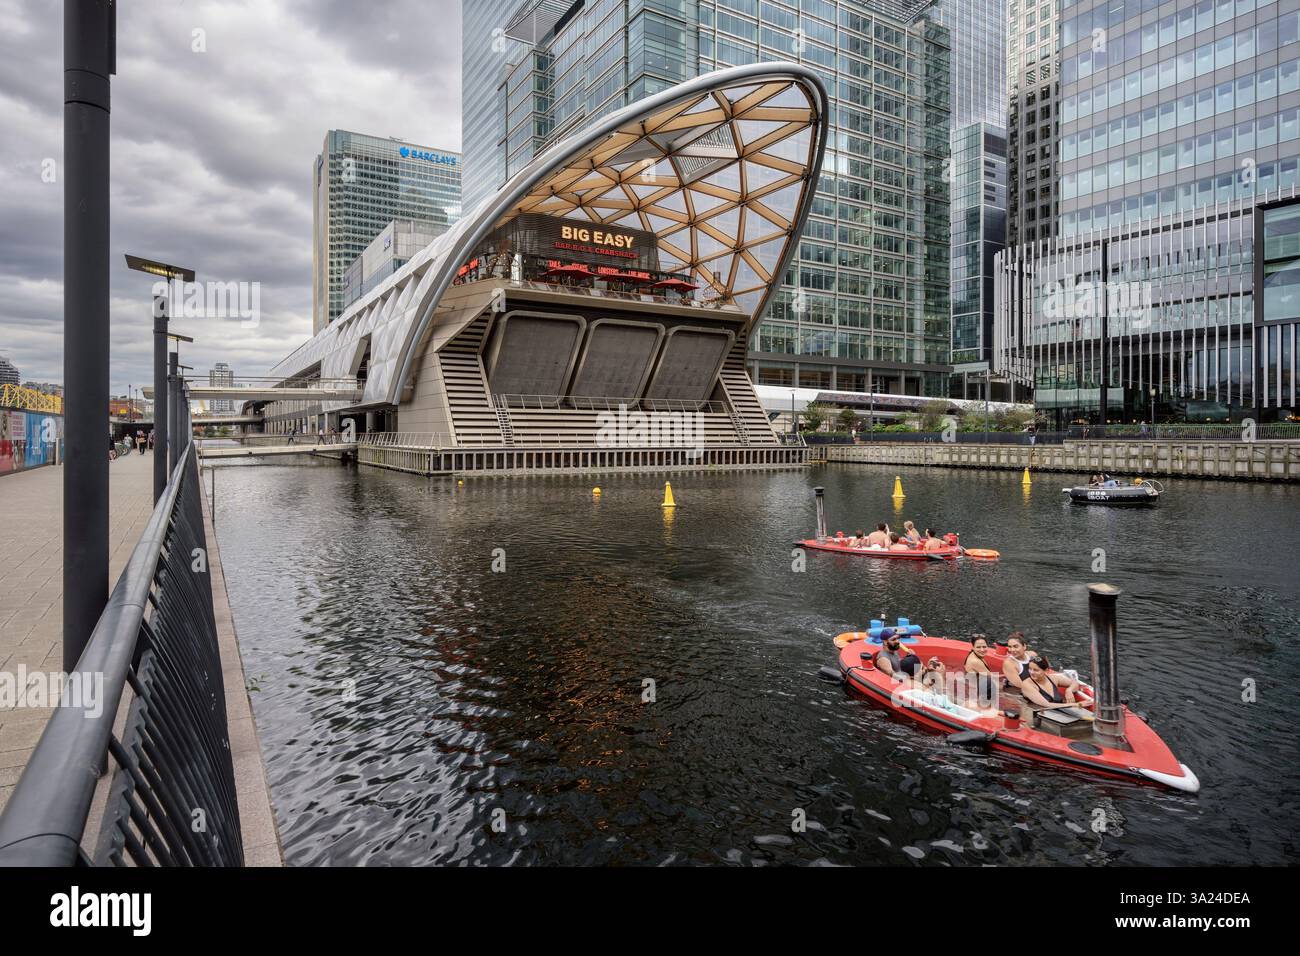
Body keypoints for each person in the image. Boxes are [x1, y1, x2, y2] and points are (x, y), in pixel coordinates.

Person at [1019, 656, 1084, 708]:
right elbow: (1046, 704)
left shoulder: (1053, 678)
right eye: (1030, 669)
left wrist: (1069, 690)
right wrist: (1076, 705)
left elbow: (1075, 683)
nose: (1031, 672)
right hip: (1041, 717)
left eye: (1036, 670)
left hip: (1059, 713)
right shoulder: (1027, 684)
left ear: (1046, 670)